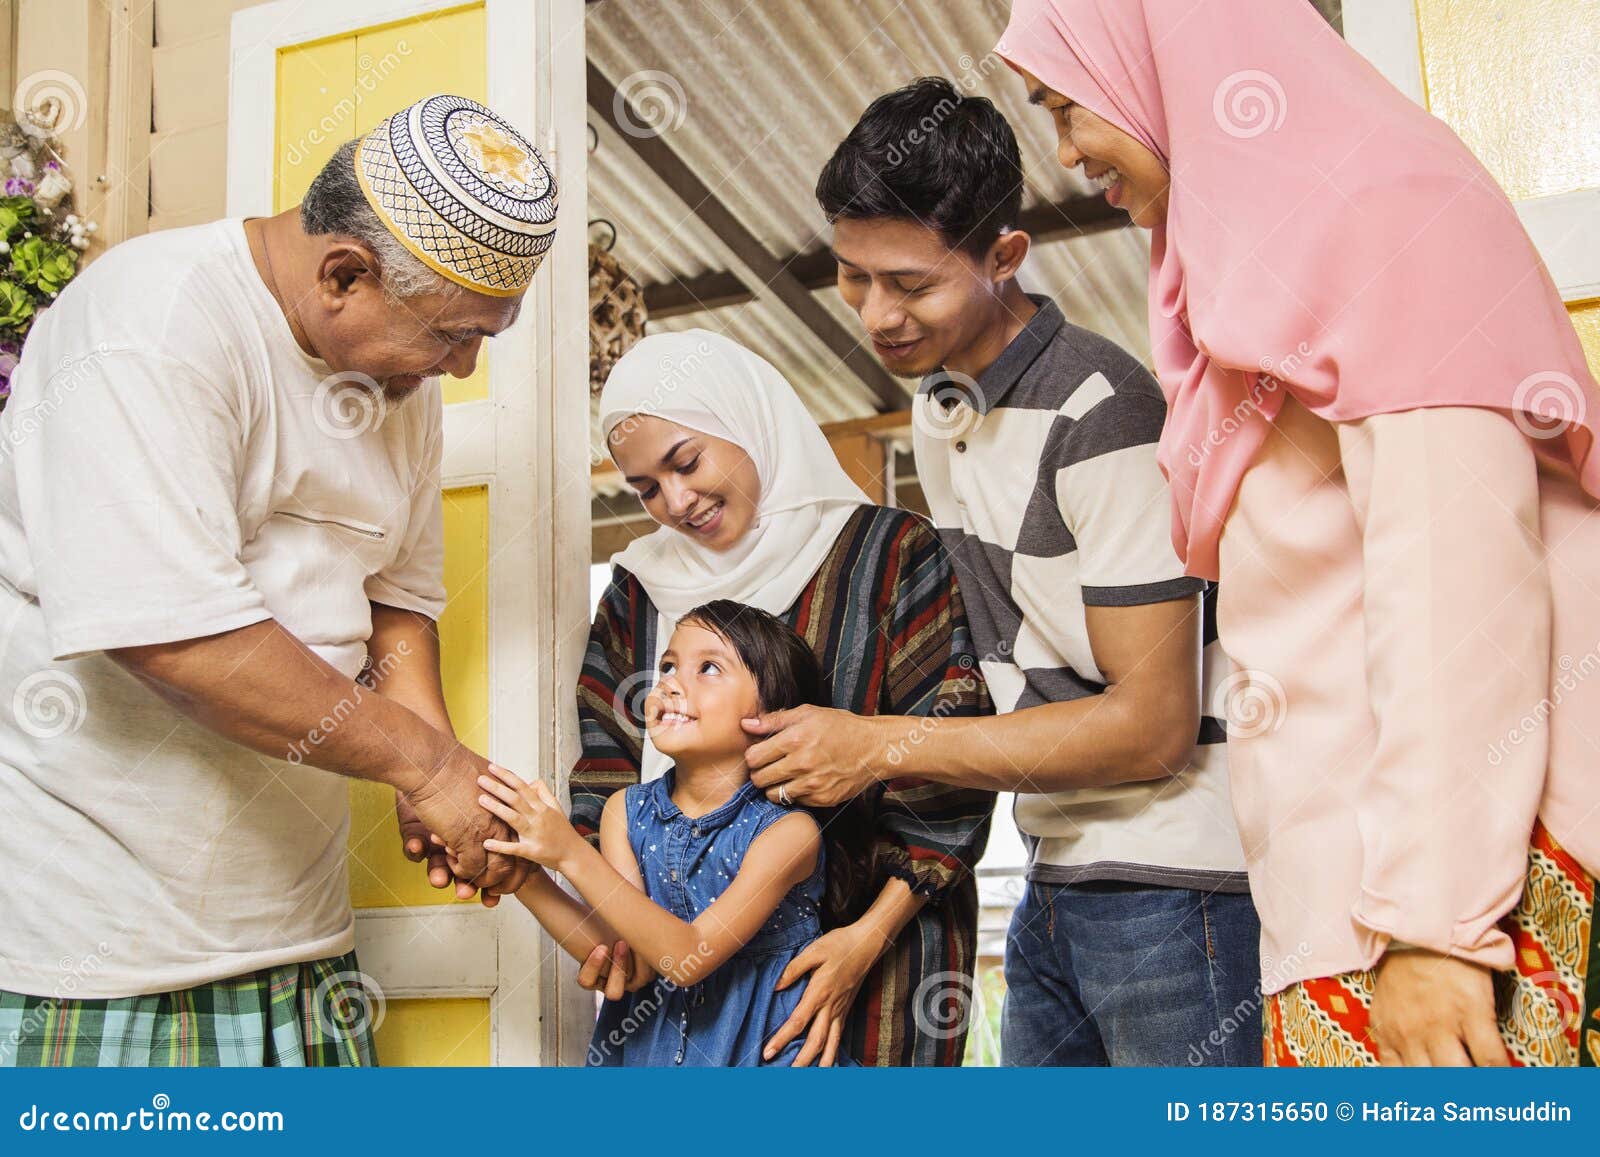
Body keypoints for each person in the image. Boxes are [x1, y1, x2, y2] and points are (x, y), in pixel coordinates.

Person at [995, 0, 1600, 1066]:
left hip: (1450, 909)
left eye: (1062, 104)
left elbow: (1458, 587)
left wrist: (1433, 923)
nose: (1066, 150)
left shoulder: (1385, 214)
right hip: (1353, 899)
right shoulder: (1246, 279)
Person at [0, 95, 556, 1066]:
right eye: (452, 334)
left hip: (298, 932)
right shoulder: (150, 325)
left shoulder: (400, 387)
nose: (462, 367)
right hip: (105, 948)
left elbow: (397, 602)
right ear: (344, 272)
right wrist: (424, 767)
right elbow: (173, 632)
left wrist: (427, 762)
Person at [751, 77, 1260, 1067]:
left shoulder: (1099, 410)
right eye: (854, 276)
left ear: (1003, 256)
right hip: (1059, 870)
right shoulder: (939, 413)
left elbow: (1151, 726)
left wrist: (876, 746)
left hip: (1177, 878)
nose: (876, 314)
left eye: (911, 282)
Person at [571, 329, 994, 1066]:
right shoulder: (636, 591)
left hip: (877, 952)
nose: (674, 500)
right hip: (679, 1003)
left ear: (746, 419)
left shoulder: (888, 555)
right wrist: (606, 923)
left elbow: (954, 753)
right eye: (644, 488)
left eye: (687, 461)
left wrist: (864, 940)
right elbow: (604, 767)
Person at [480, 600, 853, 1066]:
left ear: (771, 715)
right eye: (669, 666)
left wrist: (570, 852)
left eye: (709, 668)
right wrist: (526, 881)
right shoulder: (624, 813)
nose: (672, 683)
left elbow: (688, 959)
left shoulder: (787, 835)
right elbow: (627, 964)